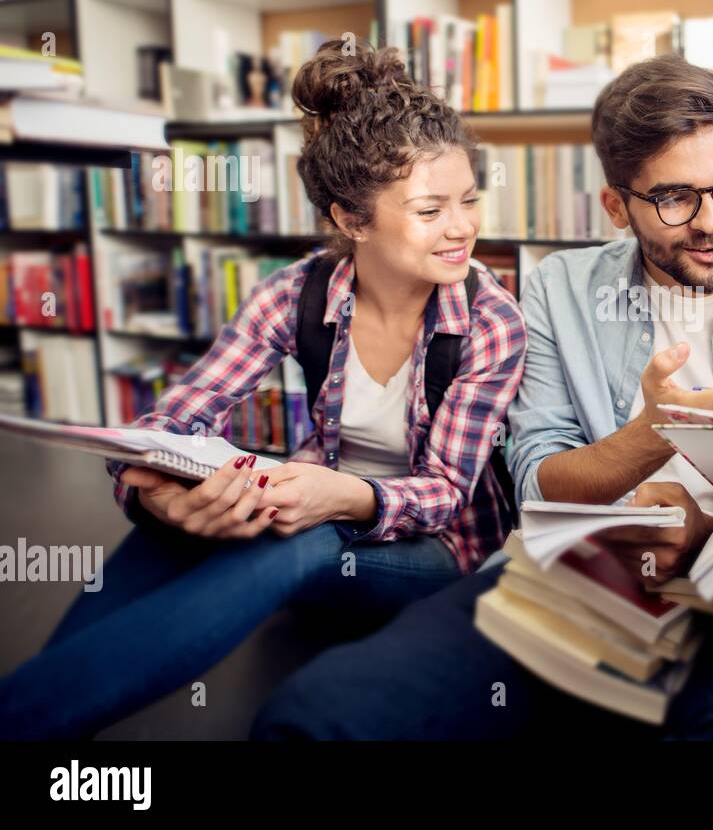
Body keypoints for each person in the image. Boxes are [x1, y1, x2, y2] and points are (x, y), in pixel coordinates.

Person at [251, 54, 713, 740]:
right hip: (560, 587)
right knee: (316, 715)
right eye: (675, 198)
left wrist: (704, 525)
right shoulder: (559, 287)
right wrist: (652, 434)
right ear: (617, 206)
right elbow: (536, 480)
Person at [0, 39, 527, 740]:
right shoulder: (294, 293)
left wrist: (335, 494)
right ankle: (30, 719)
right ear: (350, 218)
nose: (463, 226)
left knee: (297, 536)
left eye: (467, 199)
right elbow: (174, 417)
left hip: (432, 554)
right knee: (178, 525)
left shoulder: (491, 320)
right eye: (431, 210)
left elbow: (444, 494)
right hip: (308, 511)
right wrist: (161, 494)